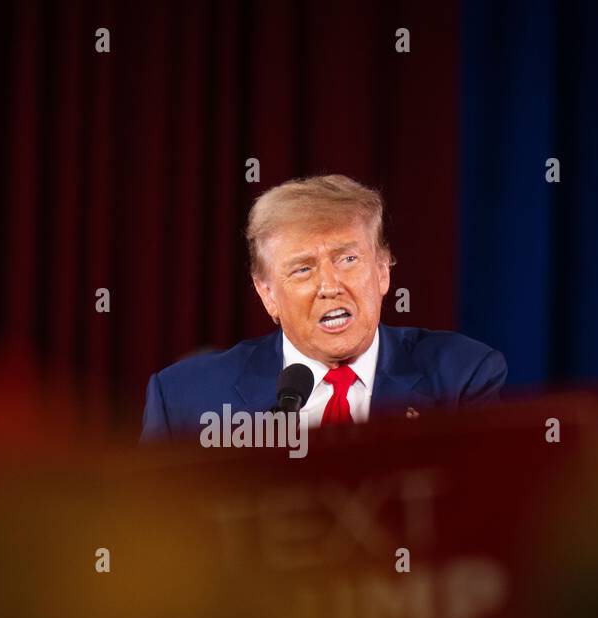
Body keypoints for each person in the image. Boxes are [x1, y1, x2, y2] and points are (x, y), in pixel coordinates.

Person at [141, 175, 506, 441]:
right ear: (267, 293)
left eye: (348, 258)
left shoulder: (462, 376)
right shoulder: (184, 400)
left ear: (382, 271)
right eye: (303, 269)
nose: (330, 287)